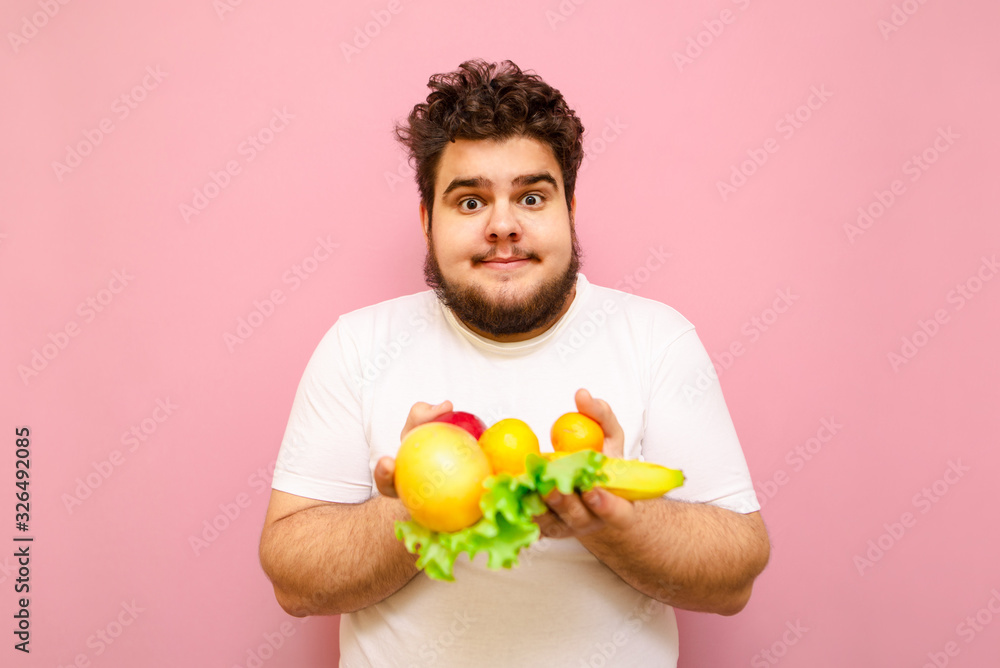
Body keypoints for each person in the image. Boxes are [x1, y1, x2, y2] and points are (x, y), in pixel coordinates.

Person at [259, 58, 770, 667]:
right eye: (470, 202)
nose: (503, 226)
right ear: (427, 221)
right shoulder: (357, 344)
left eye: (531, 196)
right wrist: (418, 505)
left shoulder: (656, 339)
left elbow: (735, 576)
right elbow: (293, 581)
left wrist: (611, 518)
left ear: (570, 210)